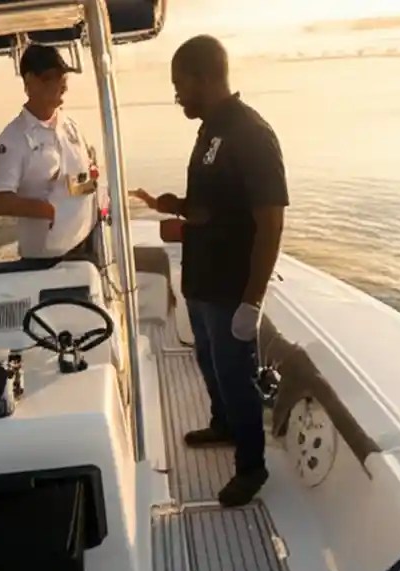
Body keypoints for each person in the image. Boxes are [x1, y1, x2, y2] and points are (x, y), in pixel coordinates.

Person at [131, 35, 288, 507]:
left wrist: (252, 301)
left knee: (236, 374)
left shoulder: (251, 134)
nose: (176, 94)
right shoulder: (209, 132)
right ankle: (222, 424)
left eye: (180, 84)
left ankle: (252, 465)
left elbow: (271, 222)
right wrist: (172, 206)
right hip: (200, 280)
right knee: (208, 361)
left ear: (203, 77)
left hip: (230, 287)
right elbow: (213, 207)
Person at [0, 43, 102, 261]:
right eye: (53, 77)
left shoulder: (71, 125)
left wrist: (92, 182)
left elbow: (80, 176)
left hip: (85, 242)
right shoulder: (11, 140)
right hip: (45, 257)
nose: (63, 86)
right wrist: (54, 212)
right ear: (30, 81)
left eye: (64, 78)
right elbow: (1, 202)